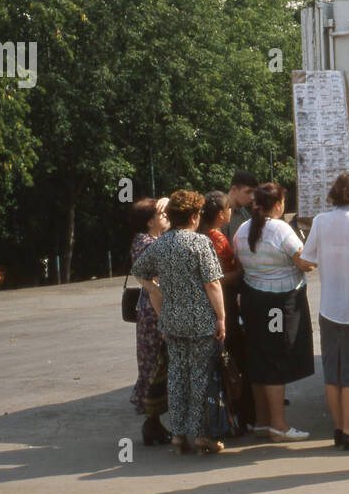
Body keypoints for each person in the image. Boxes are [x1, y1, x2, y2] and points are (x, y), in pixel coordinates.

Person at [130, 190, 227, 456]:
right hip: (200, 322)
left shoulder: (160, 244)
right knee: (199, 377)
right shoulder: (199, 244)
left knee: (176, 377)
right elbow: (212, 283)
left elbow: (139, 271)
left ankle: (178, 434)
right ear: (195, 216)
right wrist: (221, 317)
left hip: (171, 321)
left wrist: (155, 293)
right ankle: (200, 435)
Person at [299, 173, 349, 450]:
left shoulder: (321, 221)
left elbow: (306, 258)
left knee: (333, 372)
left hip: (329, 306)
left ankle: (339, 428)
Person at [233, 182, 313, 442]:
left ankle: (261, 421)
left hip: (253, 300)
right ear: (278, 204)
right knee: (276, 360)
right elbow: (304, 263)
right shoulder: (280, 229)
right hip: (279, 304)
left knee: (258, 360)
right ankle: (279, 426)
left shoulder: (242, 229)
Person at [197, 191, 246, 431]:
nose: (230, 213)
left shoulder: (198, 236)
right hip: (222, 301)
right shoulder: (216, 239)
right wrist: (241, 272)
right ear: (220, 214)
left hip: (203, 305)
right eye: (228, 209)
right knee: (228, 358)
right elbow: (217, 277)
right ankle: (230, 414)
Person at [128, 197, 172, 445]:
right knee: (155, 365)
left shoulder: (150, 240)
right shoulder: (145, 243)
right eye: (161, 213)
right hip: (154, 310)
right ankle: (152, 422)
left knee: (157, 364)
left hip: (155, 307)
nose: (166, 216)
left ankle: (154, 424)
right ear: (149, 221)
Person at [224, 170, 258, 243]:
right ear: (234, 189)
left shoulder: (245, 215)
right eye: (248, 192)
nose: (252, 197)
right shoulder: (215, 210)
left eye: (253, 193)